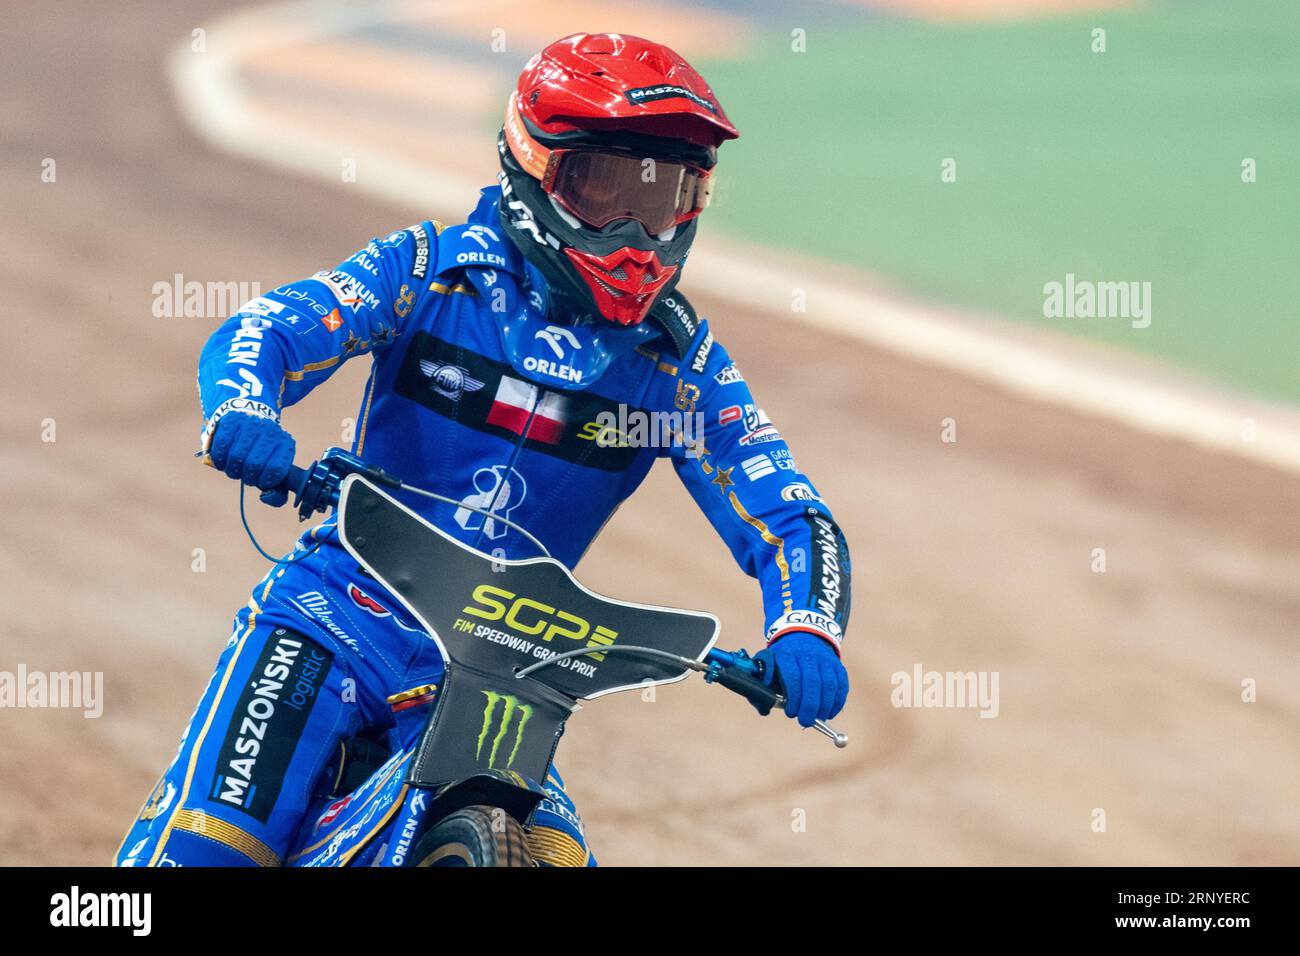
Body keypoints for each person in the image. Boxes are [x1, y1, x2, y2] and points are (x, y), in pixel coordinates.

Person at [116, 32, 851, 867]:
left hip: (507, 662)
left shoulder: (677, 363)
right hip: (334, 618)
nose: (636, 233)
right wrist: (244, 412)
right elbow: (264, 331)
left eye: (666, 198)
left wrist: (807, 626)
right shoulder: (429, 268)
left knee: (558, 860)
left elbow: (793, 515)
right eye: (607, 187)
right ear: (536, 168)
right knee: (209, 850)